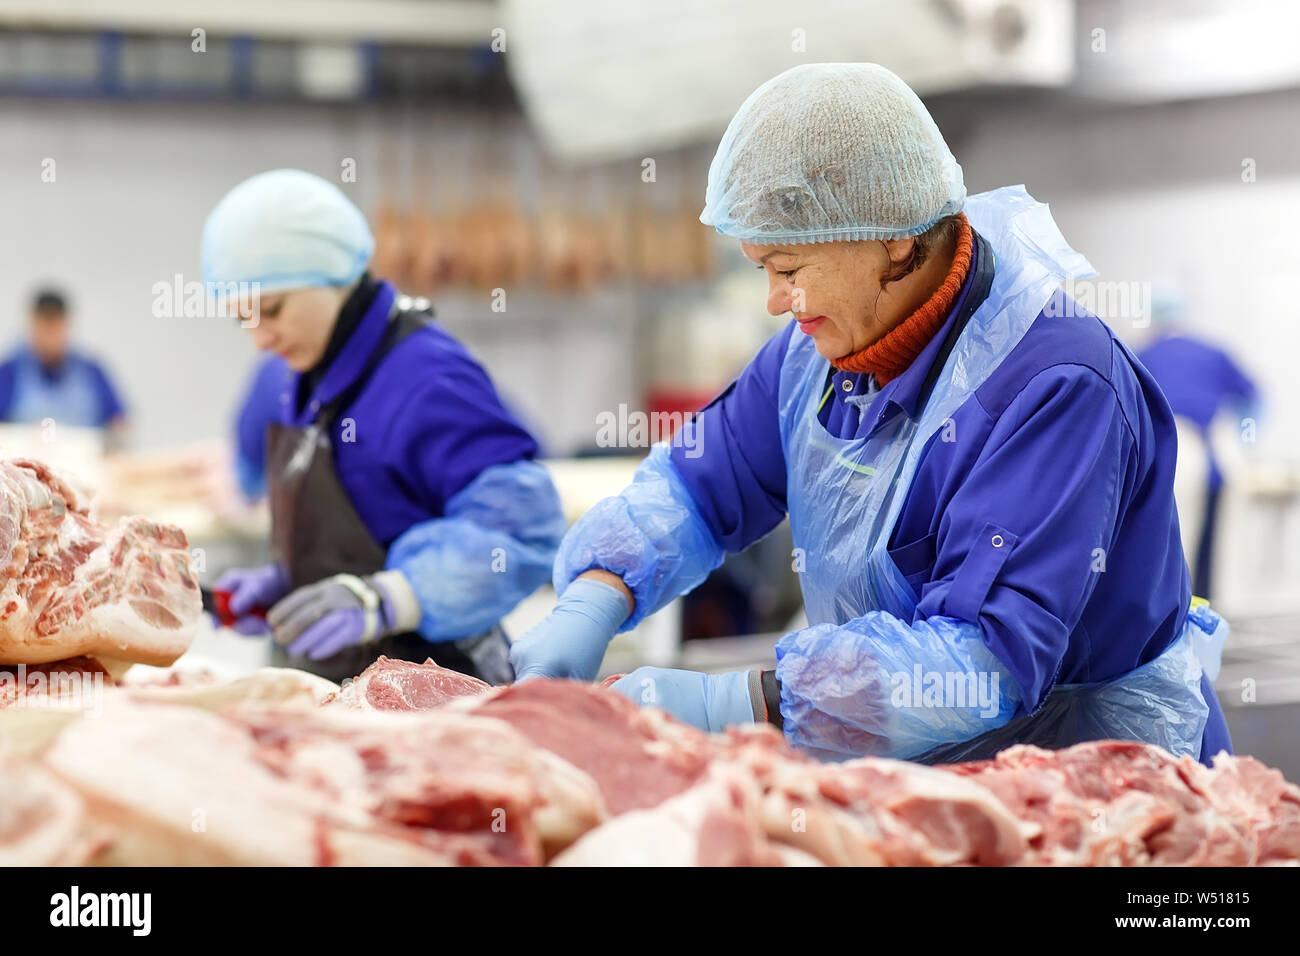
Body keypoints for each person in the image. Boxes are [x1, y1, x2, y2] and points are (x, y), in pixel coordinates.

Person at [510, 63, 1232, 767]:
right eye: (762, 268)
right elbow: (697, 485)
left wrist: (736, 704)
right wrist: (596, 597)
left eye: (788, 270)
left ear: (895, 238)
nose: (773, 301)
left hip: (1092, 787)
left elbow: (980, 665)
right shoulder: (815, 355)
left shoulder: (1056, 384)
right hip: (920, 783)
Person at [206, 169, 565, 684]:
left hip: (436, 690)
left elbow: (525, 531)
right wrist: (290, 584)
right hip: (331, 688)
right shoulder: (305, 371)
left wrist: (392, 598)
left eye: (271, 310)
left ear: (334, 275)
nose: (259, 339)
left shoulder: (427, 377)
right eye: (241, 318)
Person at [1136, 296, 1259, 598]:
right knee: (1218, 544)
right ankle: (1217, 608)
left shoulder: (1143, 354)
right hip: (1220, 459)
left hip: (1176, 457)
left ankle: (1180, 610)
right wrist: (1247, 441)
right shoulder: (1212, 350)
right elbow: (1253, 399)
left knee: (1174, 541)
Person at [0, 289, 128, 439]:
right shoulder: (10, 372)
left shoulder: (91, 370)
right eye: (45, 327)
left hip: (84, 459)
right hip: (24, 458)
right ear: (32, 325)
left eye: (56, 327)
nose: (50, 336)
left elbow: (120, 421)